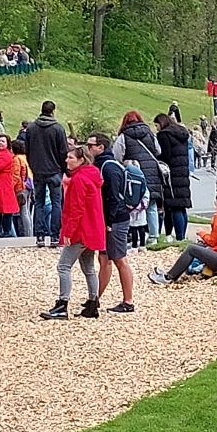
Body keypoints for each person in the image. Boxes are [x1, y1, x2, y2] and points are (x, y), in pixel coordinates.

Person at [42, 145, 105, 320]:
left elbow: (76, 209)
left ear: (81, 160)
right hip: (92, 228)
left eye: (71, 158)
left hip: (81, 230)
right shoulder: (92, 175)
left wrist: (68, 232)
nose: (67, 160)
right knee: (89, 268)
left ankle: (62, 304)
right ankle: (93, 303)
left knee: (63, 266)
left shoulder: (79, 180)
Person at [150, 187, 217, 285]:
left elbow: (212, 241)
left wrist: (201, 233)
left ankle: (169, 277)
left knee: (192, 249)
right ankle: (172, 272)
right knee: (199, 246)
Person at [86, 133, 136, 312]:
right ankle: (95, 298)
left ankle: (128, 301)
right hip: (110, 219)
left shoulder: (108, 167)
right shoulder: (103, 165)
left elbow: (114, 197)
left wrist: (109, 221)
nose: (88, 148)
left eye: (91, 145)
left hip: (115, 220)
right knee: (104, 258)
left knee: (118, 259)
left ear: (101, 147)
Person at [24, 101, 68, 248]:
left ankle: (40, 236)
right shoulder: (58, 129)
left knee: (39, 203)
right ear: (53, 111)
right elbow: (63, 152)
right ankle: (55, 235)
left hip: (38, 170)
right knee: (56, 203)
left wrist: (33, 166)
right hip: (55, 170)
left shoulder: (31, 128)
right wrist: (65, 169)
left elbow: (28, 150)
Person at [154, 113, 194, 242]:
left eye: (157, 125)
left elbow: (165, 155)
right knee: (181, 207)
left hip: (171, 174)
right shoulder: (181, 133)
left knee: (174, 205)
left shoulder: (164, 135)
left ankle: (178, 237)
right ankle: (181, 235)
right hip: (182, 172)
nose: (156, 128)